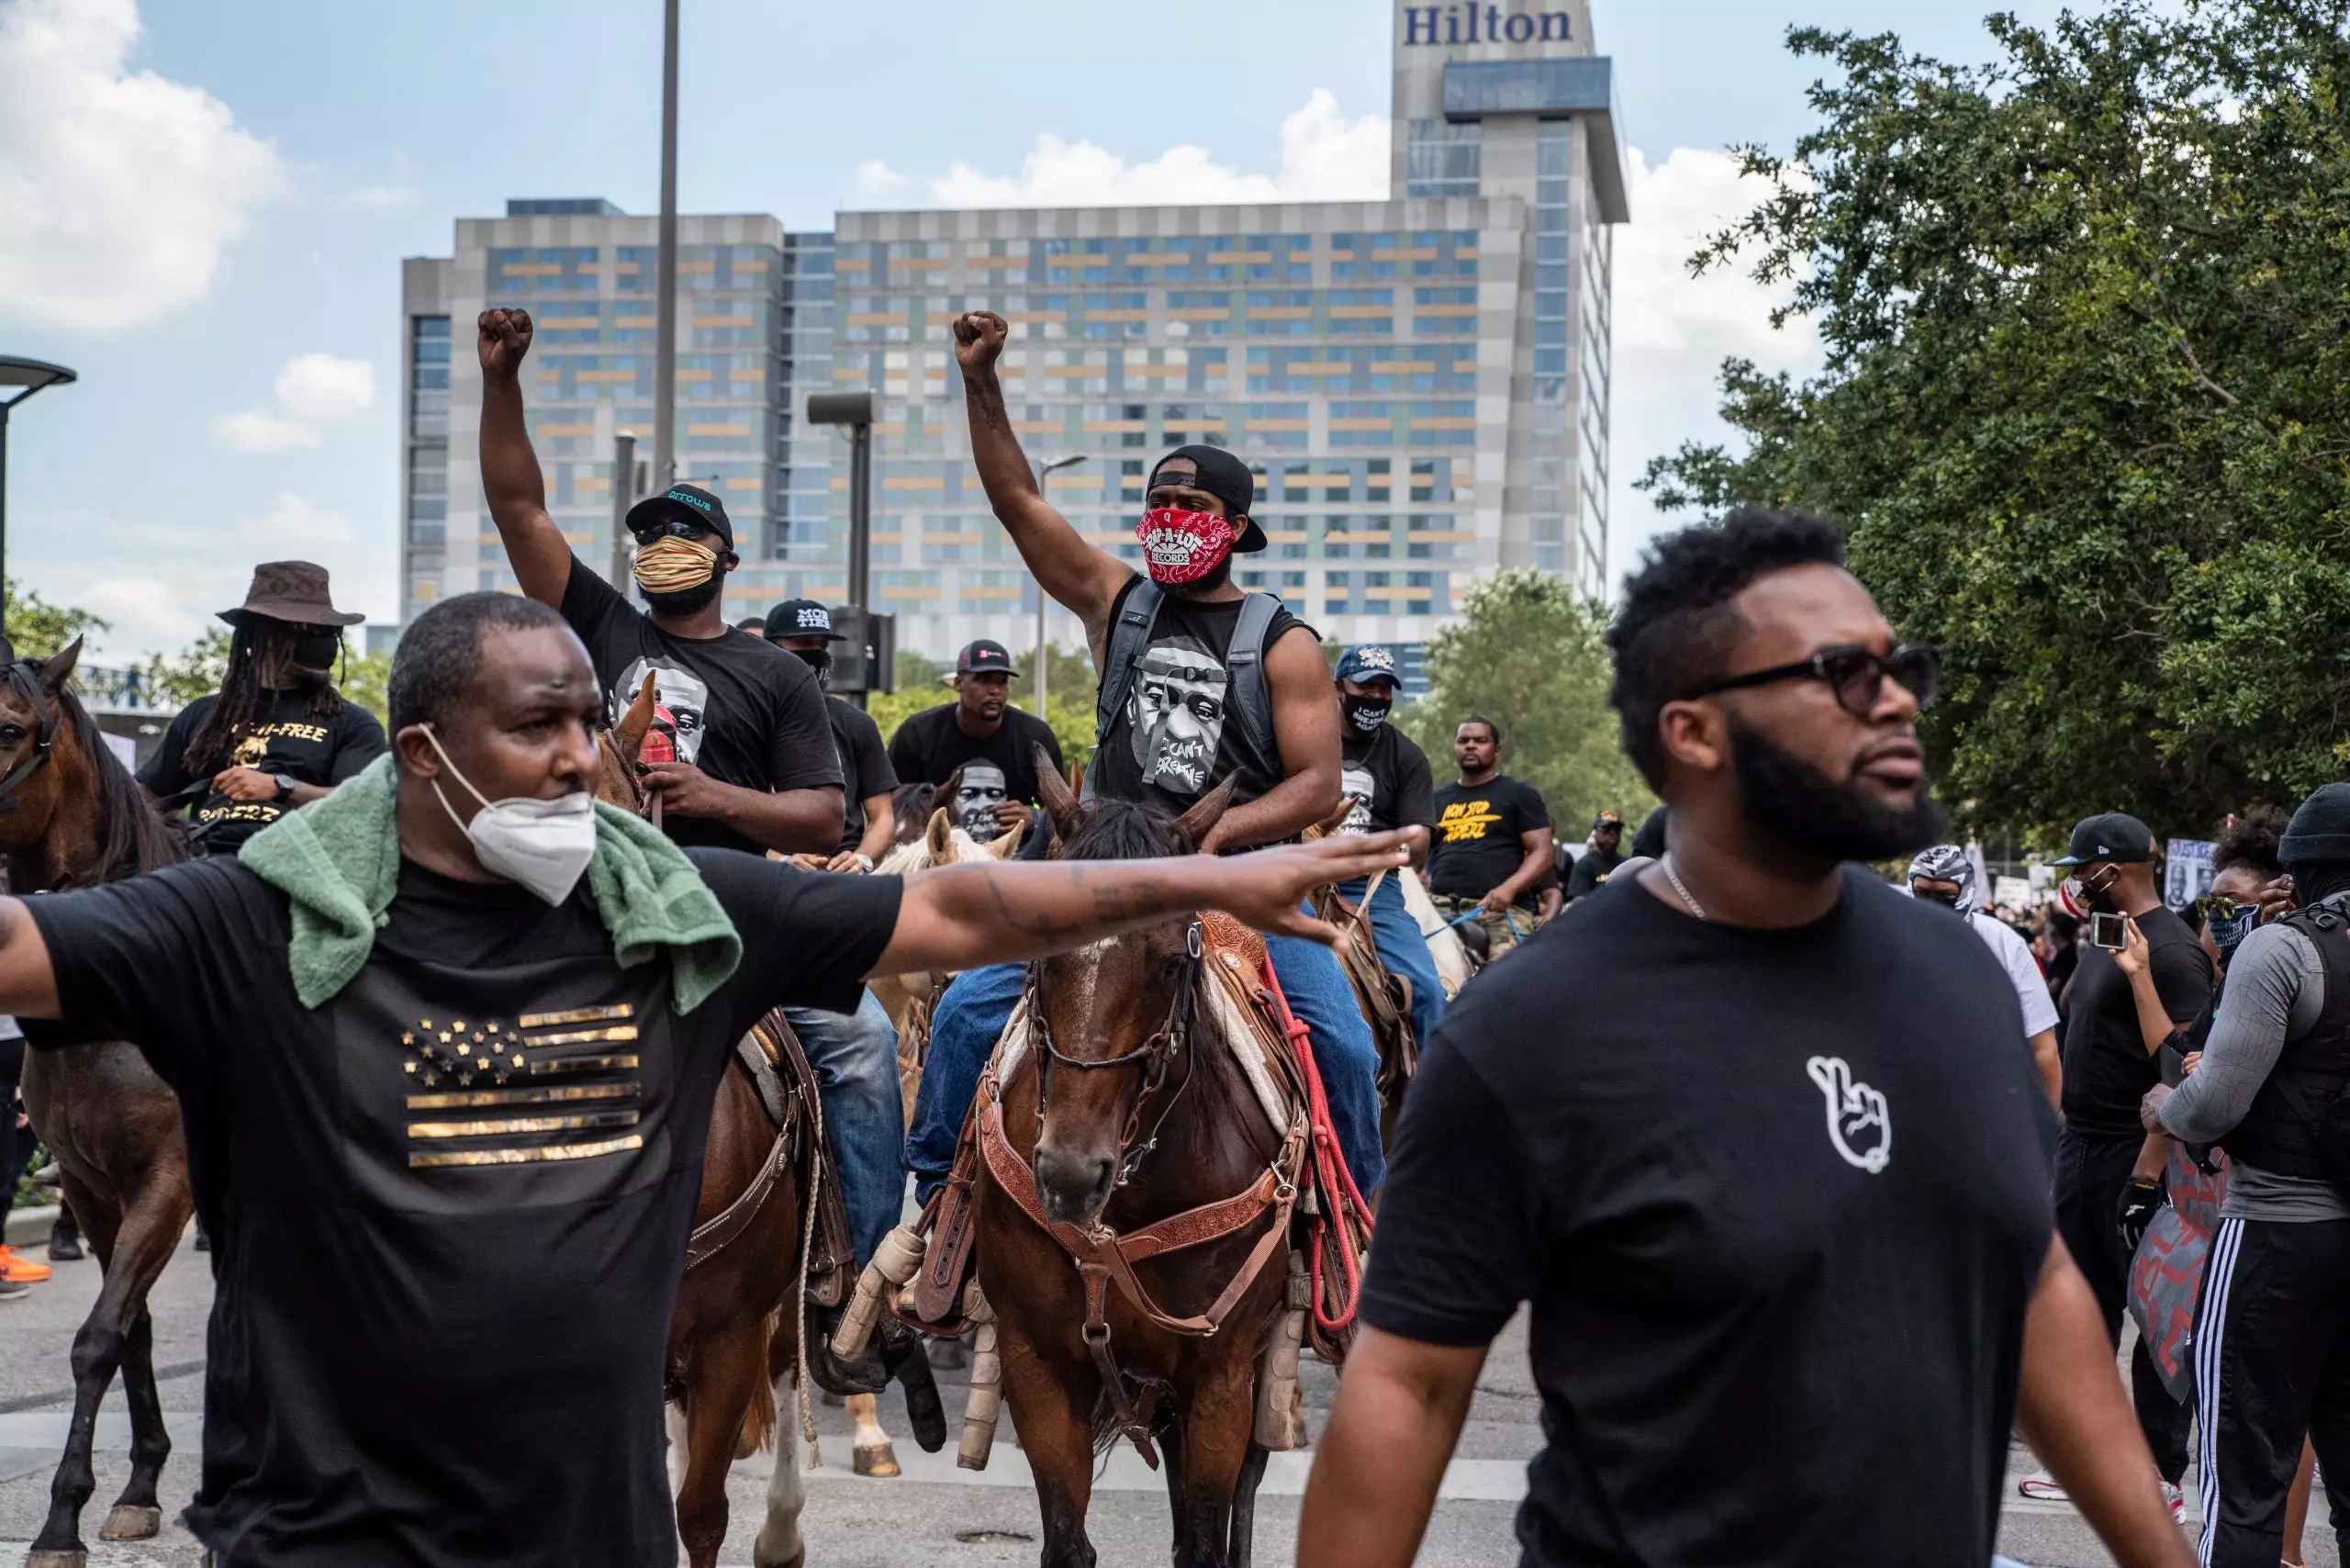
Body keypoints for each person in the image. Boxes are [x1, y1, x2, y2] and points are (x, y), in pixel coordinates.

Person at [3, 589, 1418, 1566]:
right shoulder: (246, 921)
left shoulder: (671, 908)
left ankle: (866, 1263)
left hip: (594, 1540)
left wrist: (1217, 875)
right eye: (541, 728)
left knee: (865, 1049)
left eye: (587, 723)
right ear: (425, 755)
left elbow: (971, 915)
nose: (584, 760)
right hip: (318, 1540)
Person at [1298, 509, 2192, 1568]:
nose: (1898, 698)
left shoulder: (1959, 976)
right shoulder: (1531, 1029)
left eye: (1897, 667)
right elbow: (1407, 1384)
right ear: (1694, 731)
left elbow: (2031, 1281)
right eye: (1844, 674)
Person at [905, 308, 1383, 1209]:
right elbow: (1018, 501)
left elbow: (1318, 784)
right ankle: (938, 1215)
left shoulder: (1285, 644)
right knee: (968, 1014)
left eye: (1193, 508)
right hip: (1094, 872)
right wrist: (979, 379)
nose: (1170, 521)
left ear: (1236, 527)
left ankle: (1357, 1241)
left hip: (1238, 877)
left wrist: (1209, 837)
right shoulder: (1113, 599)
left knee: (1343, 1043)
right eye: (1159, 504)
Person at [476, 307, 843, 857]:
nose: (666, 543)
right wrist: (500, 380)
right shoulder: (597, 623)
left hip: (718, 903)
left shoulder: (780, 674)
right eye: (651, 535)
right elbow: (520, 510)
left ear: (728, 562)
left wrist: (715, 797)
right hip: (595, 887)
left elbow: (823, 820)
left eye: (689, 533)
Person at [2145, 785, 2350, 1567]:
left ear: (2297, 865)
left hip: (2276, 1235)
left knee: (2246, 1479)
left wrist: (2165, 1105)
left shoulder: (2285, 948)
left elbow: (2216, 1102)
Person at [2032, 811, 2210, 1515]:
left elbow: (2185, 1069)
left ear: (2118, 869)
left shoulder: (2170, 951)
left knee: (2152, 1317)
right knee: (2082, 1311)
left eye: (2084, 870)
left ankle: (2159, 1472)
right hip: (2077, 1146)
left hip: (2130, 1155)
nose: (2076, 884)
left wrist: (2148, 1170)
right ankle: (2091, 1463)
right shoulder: (2107, 939)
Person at [139, 562, 386, 854]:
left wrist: (283, 788)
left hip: (292, 866)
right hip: (200, 861)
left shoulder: (351, 723)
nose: (321, 641)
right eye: (307, 629)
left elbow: (364, 806)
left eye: (326, 632)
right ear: (262, 636)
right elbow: (147, 795)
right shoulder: (205, 715)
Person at [1331, 644, 1444, 1054]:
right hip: (1295, 881)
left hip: (1372, 892)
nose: (1376, 696)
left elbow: (1418, 843)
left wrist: (1386, 848)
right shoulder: (1303, 736)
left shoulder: (1407, 756)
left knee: (1430, 992)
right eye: (1366, 685)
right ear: (1338, 686)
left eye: (1385, 688)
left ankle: (1430, 1110)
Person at [1909, 845, 2063, 1105]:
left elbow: (2043, 1047)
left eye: (1945, 895)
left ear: (1967, 892)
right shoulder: (1889, 939)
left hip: (1988, 1102)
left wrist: (2046, 1128)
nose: (1931, 904)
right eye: (1922, 893)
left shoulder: (2003, 943)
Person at [884, 638, 1063, 841]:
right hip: (938, 857)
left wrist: (1034, 817)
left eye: (1002, 681)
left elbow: (1064, 809)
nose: (995, 690)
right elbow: (890, 805)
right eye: (983, 680)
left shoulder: (1035, 737)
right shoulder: (917, 734)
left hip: (1017, 859)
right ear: (958, 684)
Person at [765, 599, 896, 872]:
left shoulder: (856, 723)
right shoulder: (749, 719)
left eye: (823, 645)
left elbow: (883, 815)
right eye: (804, 644)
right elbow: (730, 812)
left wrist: (862, 859)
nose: (817, 653)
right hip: (771, 874)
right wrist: (781, 861)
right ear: (771, 649)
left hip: (843, 872)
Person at [1426, 717, 1553, 958]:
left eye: (1480, 741)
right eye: (1463, 740)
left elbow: (1543, 853)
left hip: (1501, 913)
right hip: (1438, 907)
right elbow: (1416, 851)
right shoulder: (1436, 799)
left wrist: (1508, 889)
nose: (1470, 745)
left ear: (1496, 750)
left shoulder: (1519, 793)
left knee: (1504, 985)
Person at [1564, 809, 1627, 902]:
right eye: (1606, 829)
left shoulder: (1626, 864)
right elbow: (1578, 902)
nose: (1612, 834)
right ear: (1595, 833)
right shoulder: (1584, 865)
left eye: (1617, 830)